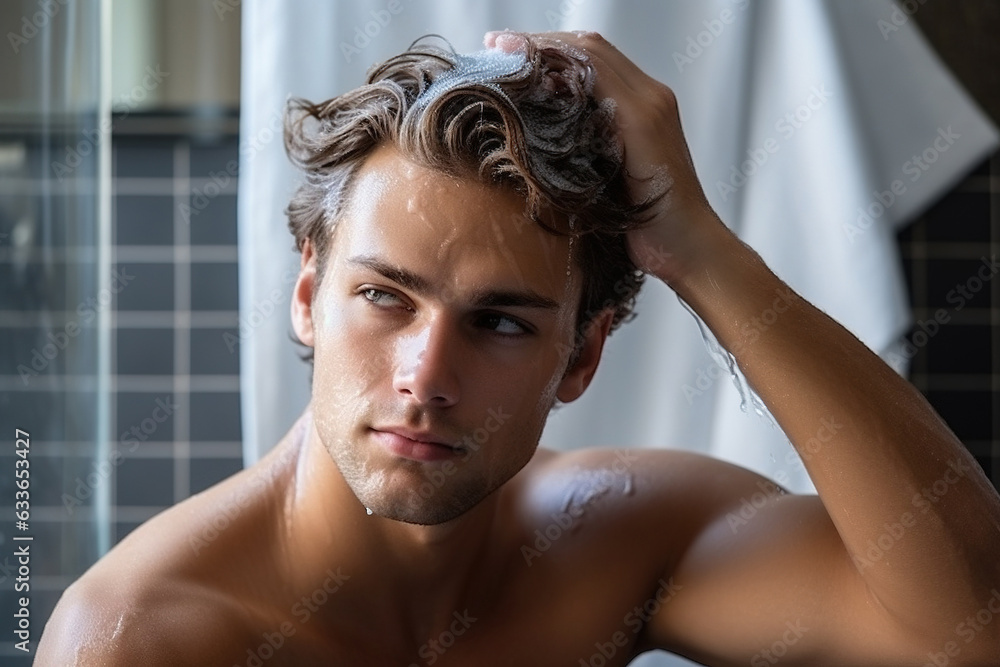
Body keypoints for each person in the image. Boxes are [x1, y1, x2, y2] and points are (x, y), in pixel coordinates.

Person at [37, 30, 1000, 666]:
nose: (424, 377)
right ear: (306, 294)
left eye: (500, 322)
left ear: (582, 358)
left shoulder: (619, 541)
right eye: (383, 296)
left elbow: (970, 626)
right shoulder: (146, 634)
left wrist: (703, 253)